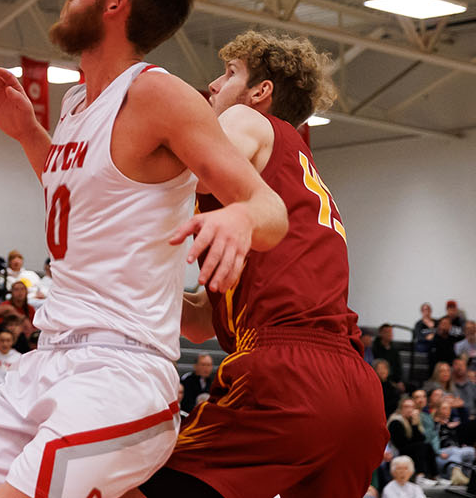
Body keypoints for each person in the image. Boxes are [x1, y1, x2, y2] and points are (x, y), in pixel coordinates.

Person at [0, 0, 290, 498]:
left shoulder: (158, 94)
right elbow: (80, 196)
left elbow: (269, 209)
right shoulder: (76, 104)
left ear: (115, 4)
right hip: (45, 360)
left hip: (122, 371)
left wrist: (237, 220)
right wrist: (27, 133)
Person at [139, 30, 386, 498]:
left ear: (260, 92)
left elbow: (185, 169)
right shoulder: (297, 173)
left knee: (138, 487)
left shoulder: (246, 122)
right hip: (355, 388)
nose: (213, 85)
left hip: (289, 374)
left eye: (230, 73)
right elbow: (197, 324)